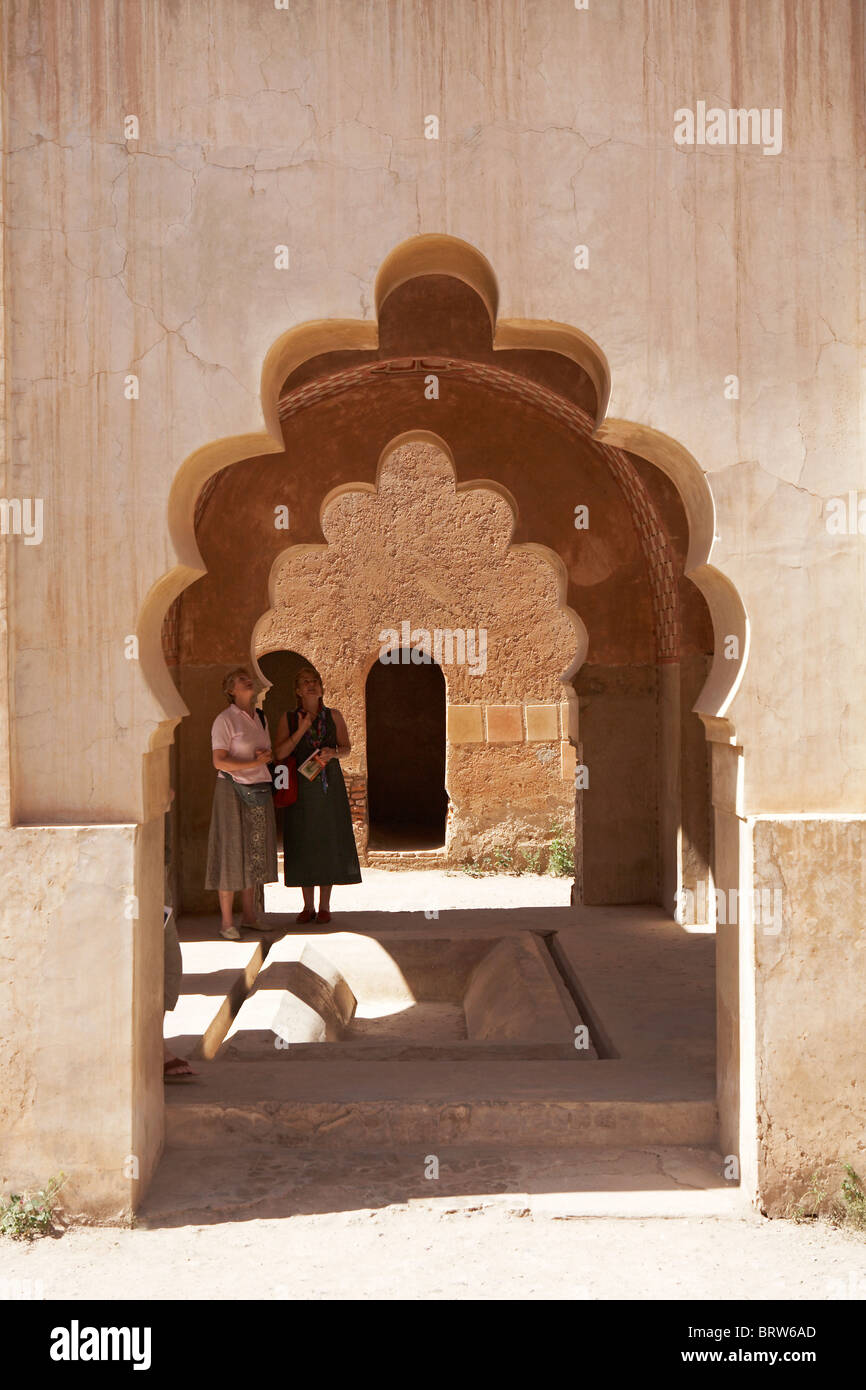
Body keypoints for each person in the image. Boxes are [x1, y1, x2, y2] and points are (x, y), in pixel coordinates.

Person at [274, 666, 361, 923]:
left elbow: (346, 748)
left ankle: (324, 906)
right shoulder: (288, 719)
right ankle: (307, 906)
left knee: (327, 841)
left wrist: (332, 753)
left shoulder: (334, 716)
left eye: (315, 681)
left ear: (321, 689)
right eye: (305, 682)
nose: (311, 685)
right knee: (303, 841)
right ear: (298, 691)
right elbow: (279, 753)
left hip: (328, 788)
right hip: (300, 790)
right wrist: (302, 729)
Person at [206, 667, 279, 940]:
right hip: (231, 790)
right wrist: (254, 762)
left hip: (258, 789)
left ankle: (249, 916)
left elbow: (265, 754)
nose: (248, 681)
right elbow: (219, 761)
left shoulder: (259, 717)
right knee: (230, 851)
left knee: (254, 854)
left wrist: (265, 758)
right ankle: (227, 922)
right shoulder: (224, 720)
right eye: (241, 680)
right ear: (230, 690)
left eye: (248, 678)